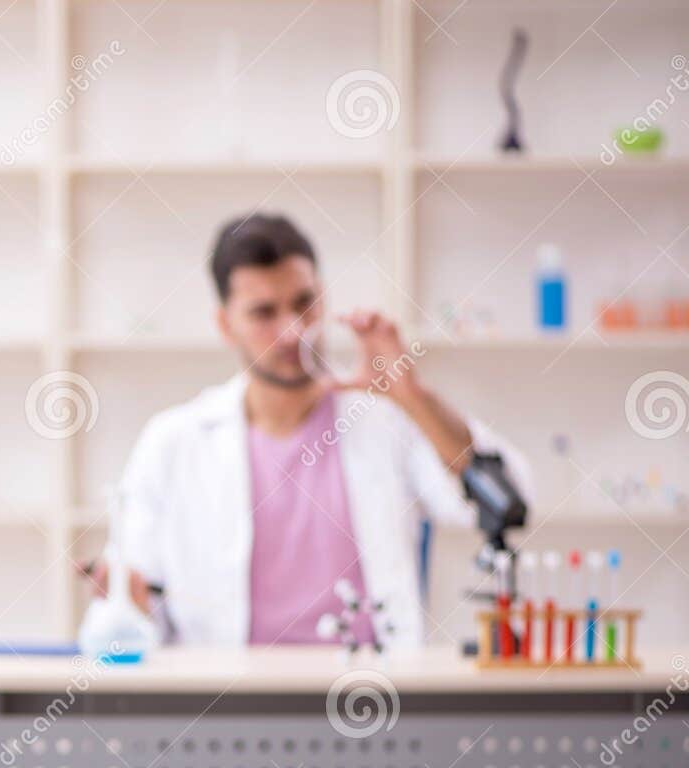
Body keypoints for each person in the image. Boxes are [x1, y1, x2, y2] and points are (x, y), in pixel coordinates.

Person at [94, 212, 532, 648]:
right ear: (226, 325)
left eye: (303, 304)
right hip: (227, 700)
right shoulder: (174, 441)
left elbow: (512, 497)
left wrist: (413, 395)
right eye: (264, 312)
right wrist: (127, 601)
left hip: (370, 693)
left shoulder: (385, 418)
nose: (292, 331)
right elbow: (139, 608)